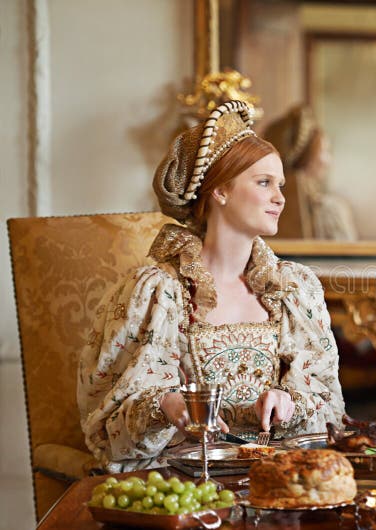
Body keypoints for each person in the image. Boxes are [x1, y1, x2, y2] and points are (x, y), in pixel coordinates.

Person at [78, 101, 346, 472]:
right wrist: (168, 406)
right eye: (264, 183)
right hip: (187, 487)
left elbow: (330, 408)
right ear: (220, 191)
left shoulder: (294, 290)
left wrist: (290, 403)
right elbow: (110, 428)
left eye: (280, 184)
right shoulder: (159, 293)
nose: (280, 198)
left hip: (278, 481)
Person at [263, 105, 358, 241]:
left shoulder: (260, 205)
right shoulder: (330, 210)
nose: (329, 161)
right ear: (307, 157)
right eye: (325, 150)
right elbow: (347, 260)